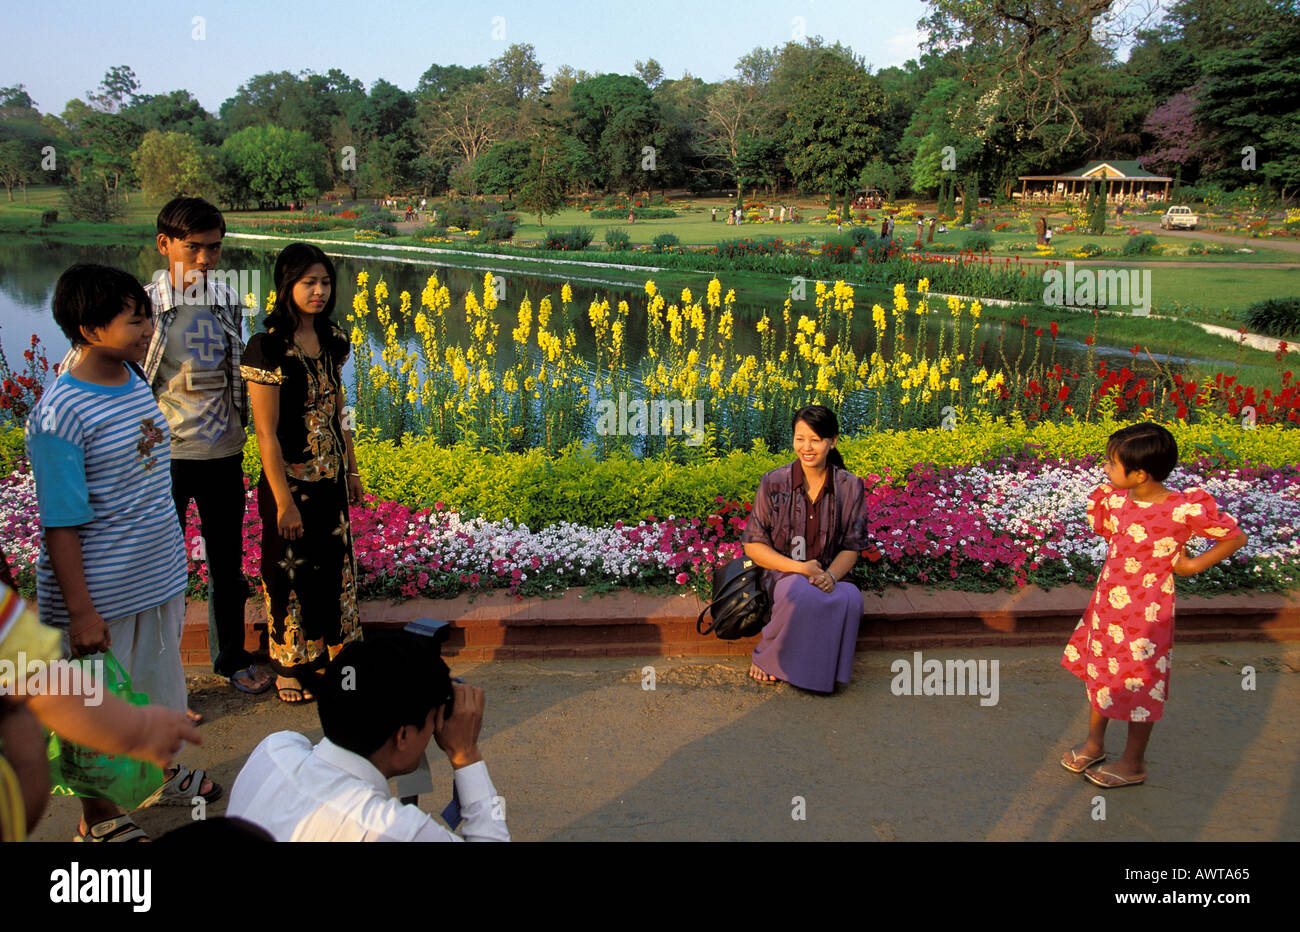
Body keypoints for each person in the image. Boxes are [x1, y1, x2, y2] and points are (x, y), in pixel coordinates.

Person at [27, 264, 220, 841]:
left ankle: (158, 771)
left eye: (146, 316)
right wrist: (81, 612)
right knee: (97, 709)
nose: (147, 328)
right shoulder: (61, 414)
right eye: (134, 319)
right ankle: (99, 817)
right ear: (89, 329)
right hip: (99, 596)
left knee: (158, 688)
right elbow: (60, 526)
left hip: (154, 577)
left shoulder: (133, 376)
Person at [61, 198, 268, 696]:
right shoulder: (139, 305)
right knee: (154, 571)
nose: (205, 259)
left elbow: (236, 375)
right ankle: (158, 682)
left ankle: (231, 659)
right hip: (162, 462)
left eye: (214, 248)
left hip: (223, 452)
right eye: (193, 247)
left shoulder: (225, 298)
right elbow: (81, 362)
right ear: (164, 244)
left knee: (227, 566)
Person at [1060, 423, 1248, 788]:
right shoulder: (1115, 499)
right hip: (1108, 605)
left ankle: (1133, 763)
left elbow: (1234, 536)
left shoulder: (1182, 509)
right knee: (1103, 672)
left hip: (1147, 613)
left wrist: (1191, 565)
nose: (1106, 469)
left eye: (1112, 464)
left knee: (1140, 681)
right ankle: (1094, 743)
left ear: (1140, 473)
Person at [227, 631, 510, 841]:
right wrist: (466, 755)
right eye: (431, 721)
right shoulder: (392, 829)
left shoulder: (275, 749)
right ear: (402, 736)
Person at [241, 244, 364, 704]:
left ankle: (336, 655)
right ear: (286, 286)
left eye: (325, 283)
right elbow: (265, 434)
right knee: (288, 574)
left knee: (334, 568)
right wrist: (284, 500)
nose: (318, 291)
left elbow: (339, 409)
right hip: (288, 484)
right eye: (308, 282)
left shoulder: (333, 339)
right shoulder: (268, 348)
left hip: (330, 480)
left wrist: (352, 467)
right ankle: (289, 665)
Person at [741, 406, 871, 692]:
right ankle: (766, 657)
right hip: (782, 573)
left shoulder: (850, 486)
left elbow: (853, 545)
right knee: (798, 590)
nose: (807, 448)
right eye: (800, 439)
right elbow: (753, 544)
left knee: (850, 598)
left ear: (832, 441)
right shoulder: (774, 482)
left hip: (831, 572)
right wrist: (801, 568)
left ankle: (822, 673)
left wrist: (831, 576)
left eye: (815, 439)